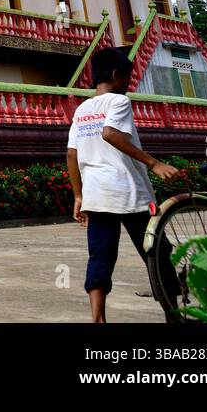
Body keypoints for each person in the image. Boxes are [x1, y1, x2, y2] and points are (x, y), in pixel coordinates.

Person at [66, 46, 177, 322]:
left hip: (96, 195)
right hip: (129, 192)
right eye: (128, 78)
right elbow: (110, 133)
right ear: (116, 75)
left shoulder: (82, 110)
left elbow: (71, 154)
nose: (129, 84)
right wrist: (154, 163)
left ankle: (98, 318)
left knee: (100, 256)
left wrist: (78, 195)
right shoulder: (118, 101)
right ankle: (173, 314)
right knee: (156, 251)